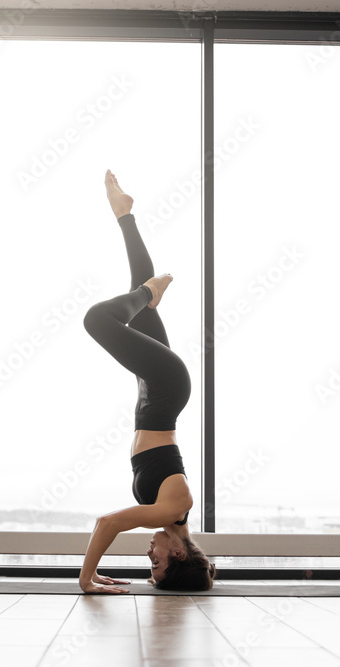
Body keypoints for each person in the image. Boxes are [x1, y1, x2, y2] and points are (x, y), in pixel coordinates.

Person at [78, 170, 216, 594]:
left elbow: (110, 523)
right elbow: (108, 523)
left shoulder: (172, 515)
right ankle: (150, 291)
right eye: (156, 563)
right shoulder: (173, 508)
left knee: (138, 298)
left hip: (154, 395)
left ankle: (125, 215)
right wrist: (86, 579)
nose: (149, 555)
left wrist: (96, 573)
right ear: (178, 555)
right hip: (165, 388)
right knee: (98, 319)